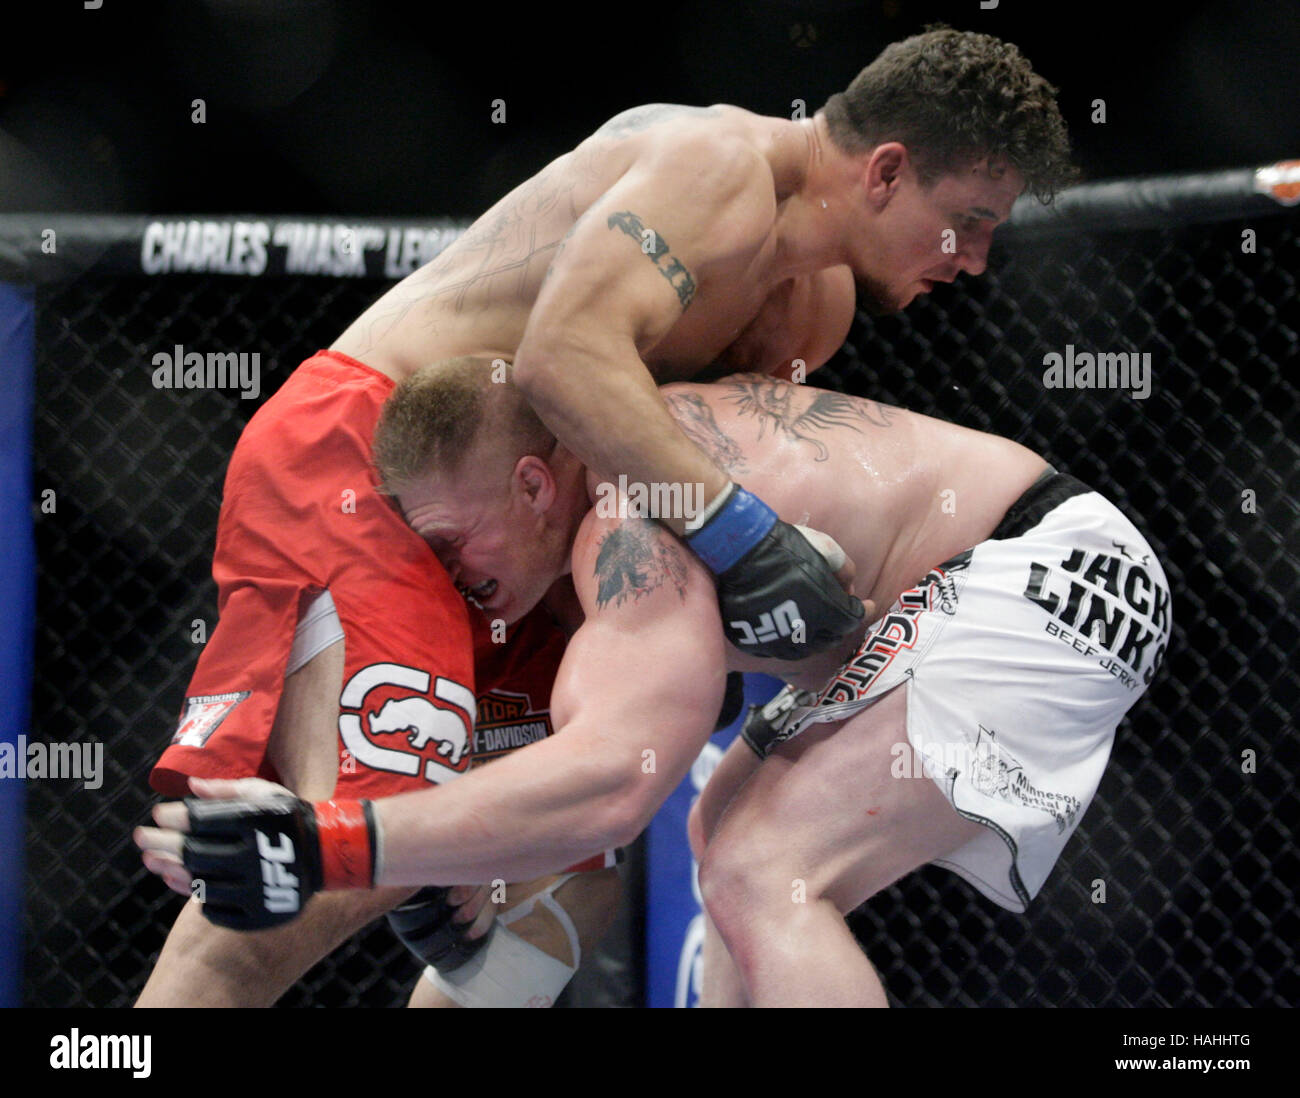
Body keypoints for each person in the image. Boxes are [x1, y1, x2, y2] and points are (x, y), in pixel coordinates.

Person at [138, 24, 1074, 1005]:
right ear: (885, 170)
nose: (971, 259)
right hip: (384, 459)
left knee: (567, 848)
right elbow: (562, 360)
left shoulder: (813, 307)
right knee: (327, 853)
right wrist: (746, 542)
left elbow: (658, 458)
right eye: (964, 219)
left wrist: (694, 619)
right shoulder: (714, 167)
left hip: (538, 525)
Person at [136, 366, 1171, 1007]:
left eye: (450, 539)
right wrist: (439, 858)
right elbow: (582, 803)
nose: (445, 574)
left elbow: (609, 785)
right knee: (726, 840)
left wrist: (334, 843)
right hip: (992, 585)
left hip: (1039, 565)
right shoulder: (617, 511)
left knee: (765, 868)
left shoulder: (629, 523)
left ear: (534, 484)